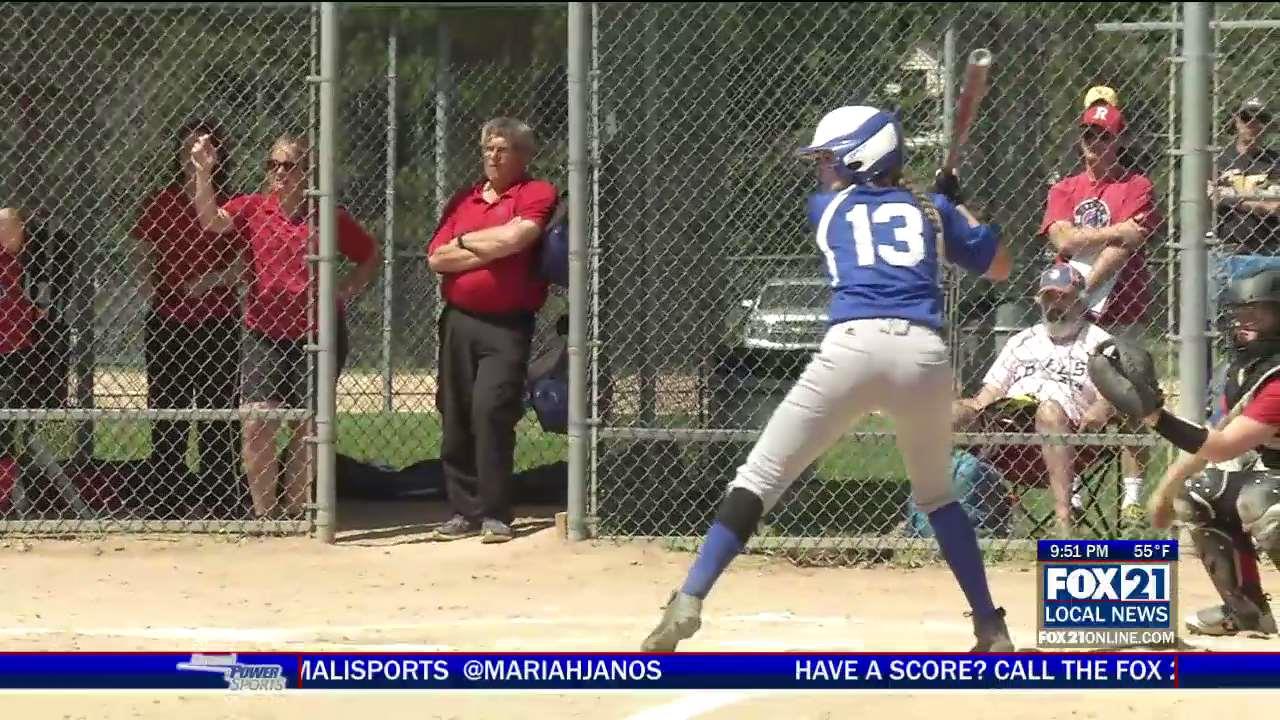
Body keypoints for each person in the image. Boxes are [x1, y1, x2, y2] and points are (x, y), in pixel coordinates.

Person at [641, 105, 1015, 653]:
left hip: (852, 350)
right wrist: (953, 204)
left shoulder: (827, 207)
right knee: (936, 494)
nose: (823, 170)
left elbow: (877, 212)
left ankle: (689, 599)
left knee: (759, 478)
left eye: (829, 159)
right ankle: (990, 625)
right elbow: (1001, 264)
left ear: (860, 158)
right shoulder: (932, 211)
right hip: (925, 357)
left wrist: (933, 202)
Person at [189, 132, 379, 520]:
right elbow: (211, 219)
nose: (278, 173)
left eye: (288, 166)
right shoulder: (254, 208)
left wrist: (344, 292)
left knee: (306, 428)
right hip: (264, 332)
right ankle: (265, 515)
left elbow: (369, 255)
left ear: (307, 173)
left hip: (318, 334)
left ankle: (295, 514)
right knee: (257, 425)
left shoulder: (327, 217)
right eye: (271, 164)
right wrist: (203, 173)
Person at [1090, 269, 1280, 637]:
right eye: (1241, 314)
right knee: (1200, 493)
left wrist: (1156, 417)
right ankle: (1246, 613)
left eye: (1257, 315)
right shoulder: (1251, 372)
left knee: (1264, 503)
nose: (1244, 325)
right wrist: (1166, 489)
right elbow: (1217, 435)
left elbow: (1223, 447)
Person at [426, 117, 559, 544]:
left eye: (503, 149)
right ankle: (464, 511)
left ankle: (496, 513)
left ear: (524, 155)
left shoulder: (535, 193)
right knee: (456, 412)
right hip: (458, 320)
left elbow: (518, 239)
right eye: (488, 149)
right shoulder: (464, 199)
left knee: (491, 410)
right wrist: (485, 245)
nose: (493, 156)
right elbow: (435, 259)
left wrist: (465, 243)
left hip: (506, 325)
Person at [1040, 101, 1157, 518]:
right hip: (1071, 315)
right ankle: (1069, 493)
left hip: (1122, 308)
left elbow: (1130, 243)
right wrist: (1112, 233)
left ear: (1119, 140)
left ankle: (1132, 498)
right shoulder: (1064, 189)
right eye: (1089, 135)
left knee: (1129, 397)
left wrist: (1082, 279)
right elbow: (1063, 243)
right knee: (1067, 397)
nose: (1096, 144)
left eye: (1104, 136)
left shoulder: (1137, 186)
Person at [132, 119, 245, 517]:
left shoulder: (231, 203)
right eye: (188, 149)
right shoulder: (160, 201)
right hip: (169, 319)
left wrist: (214, 279)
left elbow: (246, 263)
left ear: (219, 156)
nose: (195, 155)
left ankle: (219, 495)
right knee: (168, 405)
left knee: (218, 408)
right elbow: (144, 253)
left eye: (206, 148)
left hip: (218, 318)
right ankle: (168, 492)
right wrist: (151, 290)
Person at [954, 263, 1118, 535]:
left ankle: (1064, 523)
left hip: (1071, 439)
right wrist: (956, 408)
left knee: (1049, 411)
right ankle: (934, 514)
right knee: (949, 414)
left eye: (1063, 297)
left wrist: (1101, 409)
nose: (1055, 305)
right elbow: (987, 397)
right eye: (1048, 298)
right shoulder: (1022, 340)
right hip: (1007, 440)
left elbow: (1108, 400)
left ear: (1080, 300)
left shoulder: (1100, 343)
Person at [1208, 96, 1280, 323]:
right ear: (1236, 121)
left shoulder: (1276, 161)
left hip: (1272, 252)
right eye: (1247, 117)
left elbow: (1277, 206)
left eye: (1260, 118)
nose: (1253, 124)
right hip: (1231, 252)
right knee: (1221, 323)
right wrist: (1261, 203)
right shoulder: (1220, 159)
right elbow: (1212, 197)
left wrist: (1235, 199)